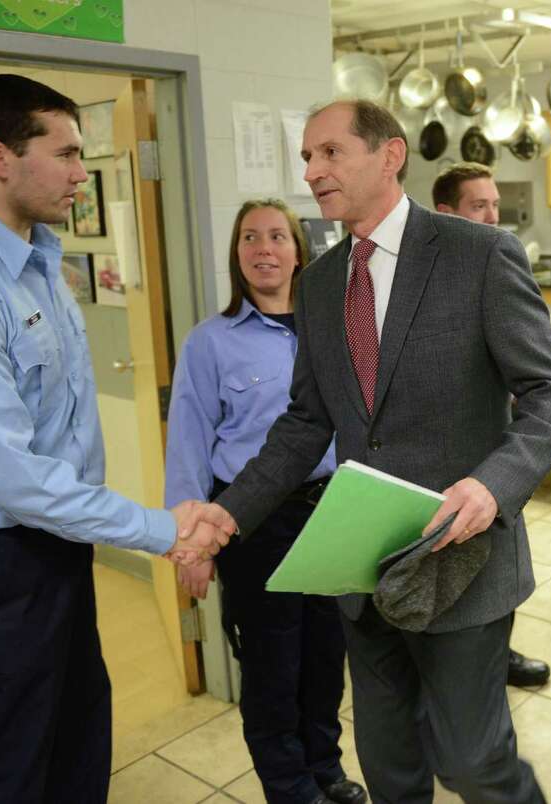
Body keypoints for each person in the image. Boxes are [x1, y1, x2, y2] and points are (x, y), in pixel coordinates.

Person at [176, 100, 551, 803]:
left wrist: (493, 485)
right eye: (307, 157)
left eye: (330, 152)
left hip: (463, 558)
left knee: (472, 763)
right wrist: (229, 511)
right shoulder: (319, 283)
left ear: (390, 155)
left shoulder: (478, 255)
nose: (312, 171)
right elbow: (307, 422)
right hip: (364, 575)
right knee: (389, 764)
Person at [0, 74, 225, 803]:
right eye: (65, 154)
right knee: (3, 766)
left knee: (75, 736)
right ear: (0, 157)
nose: (80, 173)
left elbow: (57, 434)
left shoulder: (36, 260)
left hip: (51, 546)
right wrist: (163, 530)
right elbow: (15, 478)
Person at [165, 199, 366, 804]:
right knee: (273, 665)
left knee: (325, 655)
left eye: (277, 236)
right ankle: (290, 787)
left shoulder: (333, 329)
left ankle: (324, 767)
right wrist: (191, 543)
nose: (264, 249)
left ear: (299, 252)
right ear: (237, 254)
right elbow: (188, 442)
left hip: (331, 511)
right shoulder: (210, 342)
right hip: (253, 521)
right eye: (250, 238)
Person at [430, 161, 551, 689]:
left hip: (491, 458)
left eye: (495, 204)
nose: (493, 216)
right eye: (479, 206)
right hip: (436, 464)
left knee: (494, 573)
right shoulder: (426, 280)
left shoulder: (497, 262)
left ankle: (500, 654)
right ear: (445, 213)